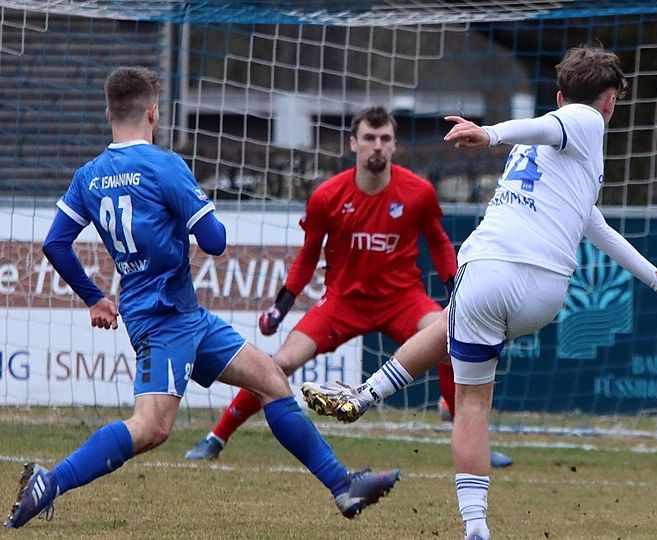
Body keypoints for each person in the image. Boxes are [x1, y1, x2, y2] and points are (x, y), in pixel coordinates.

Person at [301, 46, 657, 540]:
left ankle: (475, 527)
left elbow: (588, 213)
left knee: (471, 403)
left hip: (489, 270)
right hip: (544, 291)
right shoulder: (586, 120)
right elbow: (583, 199)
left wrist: (490, 133)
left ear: (560, 94)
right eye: (613, 100)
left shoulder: (559, 141)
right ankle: (366, 395)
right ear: (608, 101)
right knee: (448, 327)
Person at [4, 67, 399, 530]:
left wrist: (95, 298)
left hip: (181, 315)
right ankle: (48, 484)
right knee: (151, 427)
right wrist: (191, 209)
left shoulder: (89, 176)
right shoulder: (165, 165)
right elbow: (214, 240)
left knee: (271, 378)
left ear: (108, 112)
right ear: (154, 112)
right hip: (163, 321)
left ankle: (342, 485)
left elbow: (55, 243)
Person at [183, 106, 512, 468]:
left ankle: (466, 434)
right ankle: (217, 436)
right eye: (369, 138)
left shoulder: (418, 192)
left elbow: (437, 242)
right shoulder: (327, 196)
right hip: (342, 303)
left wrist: (454, 287)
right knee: (280, 362)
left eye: (385, 139)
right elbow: (308, 256)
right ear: (353, 143)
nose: (377, 146)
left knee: (452, 338)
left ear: (394, 146)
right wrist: (282, 305)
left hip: (403, 300)